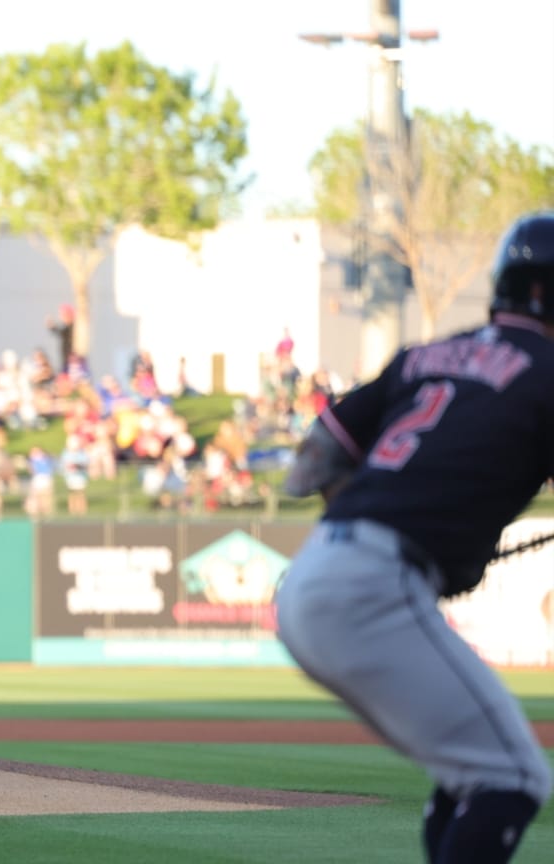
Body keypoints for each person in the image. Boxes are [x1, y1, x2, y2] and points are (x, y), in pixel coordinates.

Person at [276, 211, 554, 864]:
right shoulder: (548, 370)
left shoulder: (422, 357)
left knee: (471, 779)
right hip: (376, 584)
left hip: (315, 575)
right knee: (514, 779)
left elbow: (310, 464)